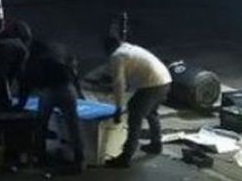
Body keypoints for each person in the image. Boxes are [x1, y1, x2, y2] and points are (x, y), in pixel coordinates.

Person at [100, 36, 172, 168]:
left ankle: (126, 156)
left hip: (152, 84)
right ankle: (156, 144)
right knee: (151, 113)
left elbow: (119, 83)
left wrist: (118, 107)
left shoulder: (117, 56)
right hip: (165, 80)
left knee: (134, 115)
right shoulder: (130, 48)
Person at [18, 39, 85, 172]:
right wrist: (79, 93)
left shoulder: (33, 61)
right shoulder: (58, 55)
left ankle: (41, 157)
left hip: (49, 91)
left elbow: (25, 85)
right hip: (67, 88)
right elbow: (73, 74)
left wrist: (21, 105)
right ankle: (79, 157)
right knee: (73, 124)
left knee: (41, 123)